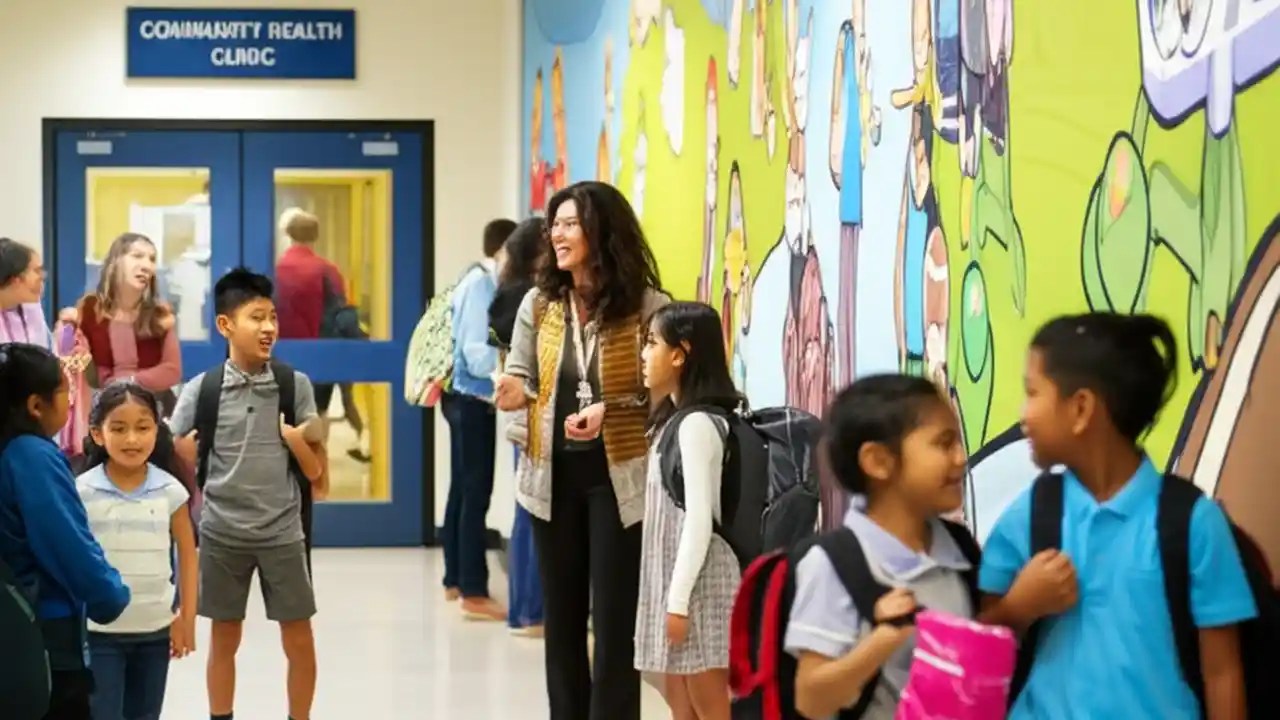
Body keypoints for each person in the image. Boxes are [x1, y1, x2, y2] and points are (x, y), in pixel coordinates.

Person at [978, 312, 1257, 719]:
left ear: (1081, 409)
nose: (1024, 414)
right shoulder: (1030, 516)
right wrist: (1017, 609)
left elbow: (1222, 673)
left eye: (1033, 392)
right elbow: (976, 646)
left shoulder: (1193, 522)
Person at [495, 181, 669, 720]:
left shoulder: (647, 306)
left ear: (601, 231)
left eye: (571, 224)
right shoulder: (540, 303)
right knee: (562, 624)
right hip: (551, 479)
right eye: (556, 225)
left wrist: (611, 409)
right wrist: (513, 387)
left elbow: (662, 397)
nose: (558, 235)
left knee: (616, 624)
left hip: (622, 483)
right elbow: (523, 372)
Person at [169, 268, 325, 720]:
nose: (270, 327)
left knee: (299, 637)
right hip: (221, 533)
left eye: (273, 317)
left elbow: (314, 466)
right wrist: (181, 452)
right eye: (257, 317)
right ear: (225, 325)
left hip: (282, 532)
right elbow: (175, 451)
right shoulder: (204, 389)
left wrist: (297, 439)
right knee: (225, 637)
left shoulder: (294, 385)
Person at [787, 374, 974, 719]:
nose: (961, 458)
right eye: (944, 443)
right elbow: (811, 698)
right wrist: (882, 640)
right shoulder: (836, 563)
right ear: (877, 461)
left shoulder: (959, 549)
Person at [0, 343, 131, 719]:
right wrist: (111, 594)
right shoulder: (33, 457)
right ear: (35, 406)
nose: (72, 398)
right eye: (64, 389)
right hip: (45, 639)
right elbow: (67, 546)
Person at [634, 301, 742, 720]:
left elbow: (699, 520)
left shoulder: (698, 426)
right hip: (679, 584)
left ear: (679, 354)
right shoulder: (672, 419)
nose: (644, 355)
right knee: (684, 708)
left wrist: (677, 602)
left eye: (651, 344)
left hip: (701, 587)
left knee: (710, 709)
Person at [76, 383, 197, 720]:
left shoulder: (170, 490)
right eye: (119, 428)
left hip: (155, 633)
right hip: (100, 634)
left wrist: (186, 618)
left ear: (157, 432)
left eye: (143, 428)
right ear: (98, 435)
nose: (132, 439)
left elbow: (188, 555)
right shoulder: (81, 491)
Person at [440, 218, 515, 620]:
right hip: (472, 398)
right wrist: (508, 375)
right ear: (503, 250)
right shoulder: (481, 285)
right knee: (475, 492)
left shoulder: (475, 281)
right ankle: (473, 589)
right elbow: (475, 351)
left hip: (464, 398)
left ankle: (455, 577)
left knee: (462, 489)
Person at [490, 217, 547, 636]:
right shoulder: (531, 299)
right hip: (534, 409)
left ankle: (523, 611)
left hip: (517, 410)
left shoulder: (506, 293)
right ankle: (531, 612)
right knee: (534, 508)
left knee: (526, 507)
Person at [68, 233, 182, 413]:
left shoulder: (160, 315)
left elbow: (172, 370)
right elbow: (81, 367)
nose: (146, 266)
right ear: (116, 262)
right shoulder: (89, 310)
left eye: (151, 259)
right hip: (105, 411)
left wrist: (127, 381)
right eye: (137, 256)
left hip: (154, 410)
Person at [0, 237, 52, 348]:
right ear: (15, 280)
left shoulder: (31, 307)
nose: (42, 276)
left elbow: (46, 356)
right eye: (37, 271)